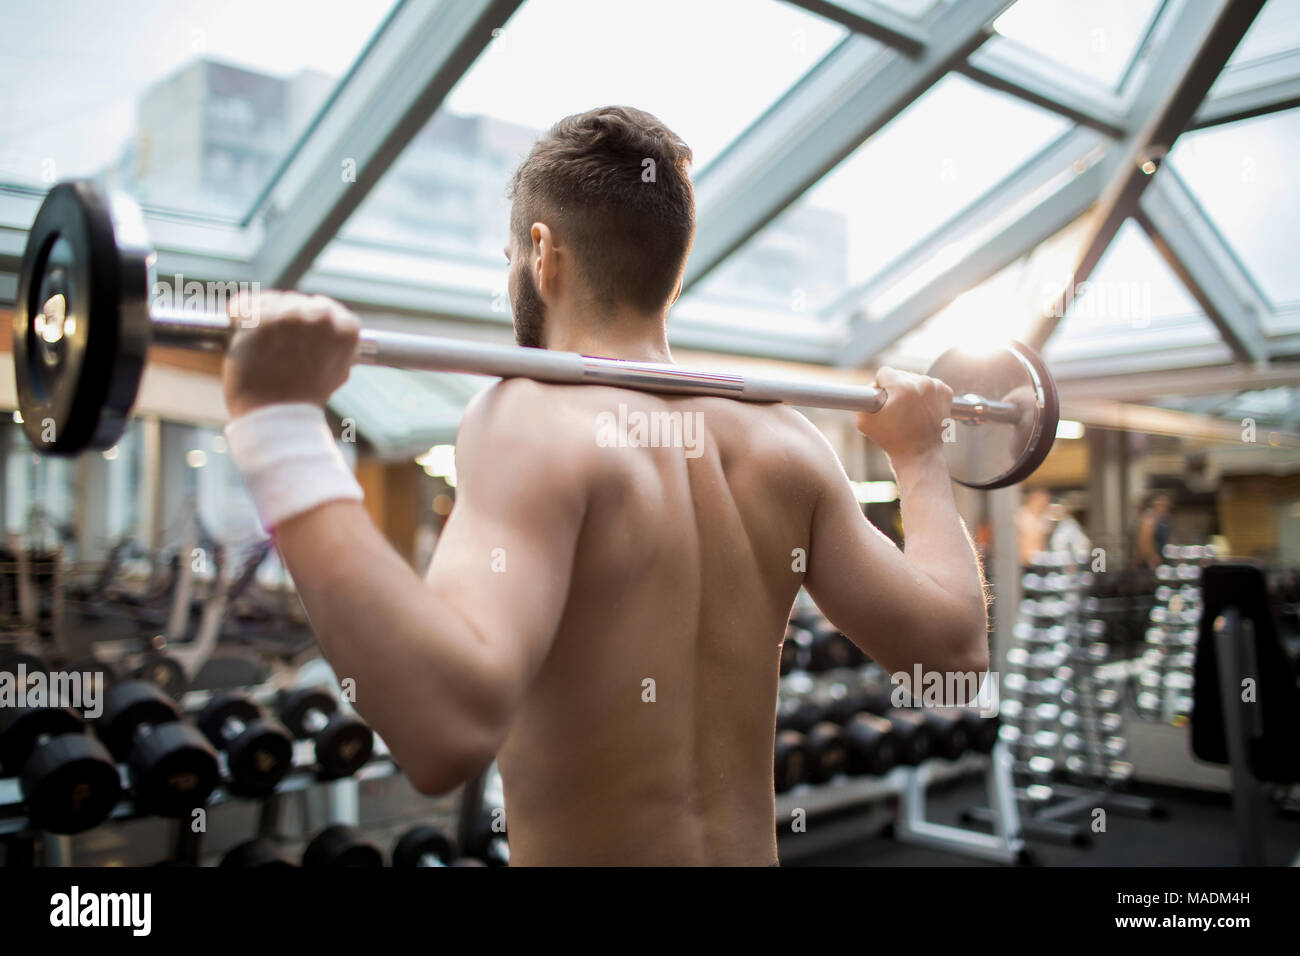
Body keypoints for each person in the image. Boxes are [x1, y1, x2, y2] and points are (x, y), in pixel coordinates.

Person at [219, 106, 988, 866]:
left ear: (543, 253)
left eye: (510, 255)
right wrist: (919, 458)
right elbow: (954, 664)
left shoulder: (529, 419)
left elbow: (444, 730)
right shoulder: (786, 441)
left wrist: (278, 426)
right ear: (672, 270)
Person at [1134, 492, 1173, 569]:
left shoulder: (1163, 518)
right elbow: (1144, 539)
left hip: (1162, 555)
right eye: (1160, 504)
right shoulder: (1150, 517)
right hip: (1153, 559)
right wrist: (1151, 557)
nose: (1164, 508)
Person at [1017, 486, 1053, 566]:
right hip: (1021, 563)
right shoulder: (1021, 516)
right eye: (1041, 501)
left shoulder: (1044, 518)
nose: (1043, 504)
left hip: (1038, 562)